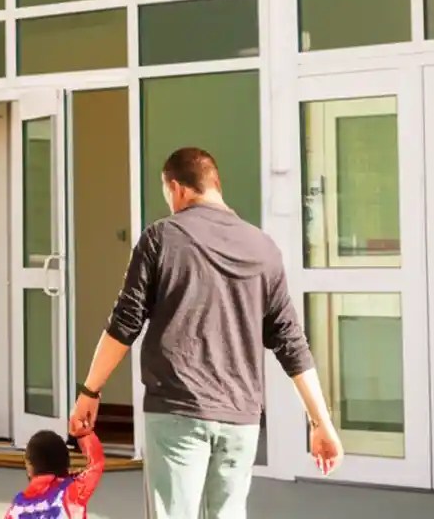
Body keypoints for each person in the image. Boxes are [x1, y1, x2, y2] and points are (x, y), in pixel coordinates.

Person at [68, 147, 343, 519]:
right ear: (216, 185)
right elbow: (290, 342)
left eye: (168, 194)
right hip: (240, 417)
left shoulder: (161, 238)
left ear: (177, 188)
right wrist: (321, 422)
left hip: (176, 410)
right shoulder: (264, 249)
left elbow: (125, 323)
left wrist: (90, 391)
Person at [5, 430, 104, 519]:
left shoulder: (17, 507)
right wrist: (84, 430)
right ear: (67, 462)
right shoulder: (74, 491)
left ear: (30, 465)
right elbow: (97, 463)